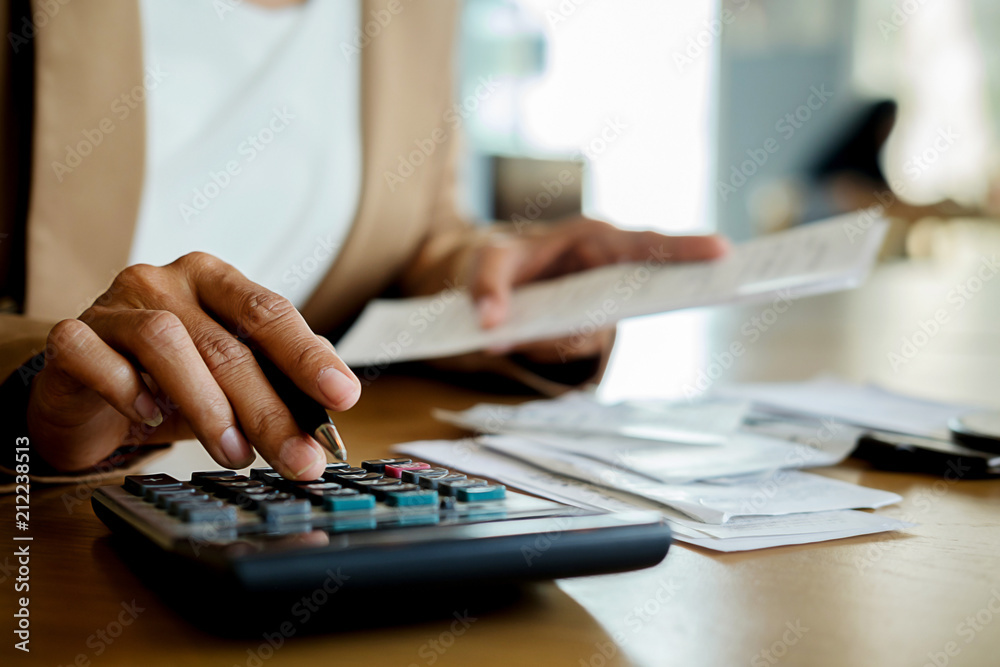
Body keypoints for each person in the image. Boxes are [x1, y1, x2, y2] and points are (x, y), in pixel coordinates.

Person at [0, 0, 726, 490]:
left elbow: (419, 238)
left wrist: (507, 289)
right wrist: (33, 390)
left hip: (285, 492)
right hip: (56, 522)